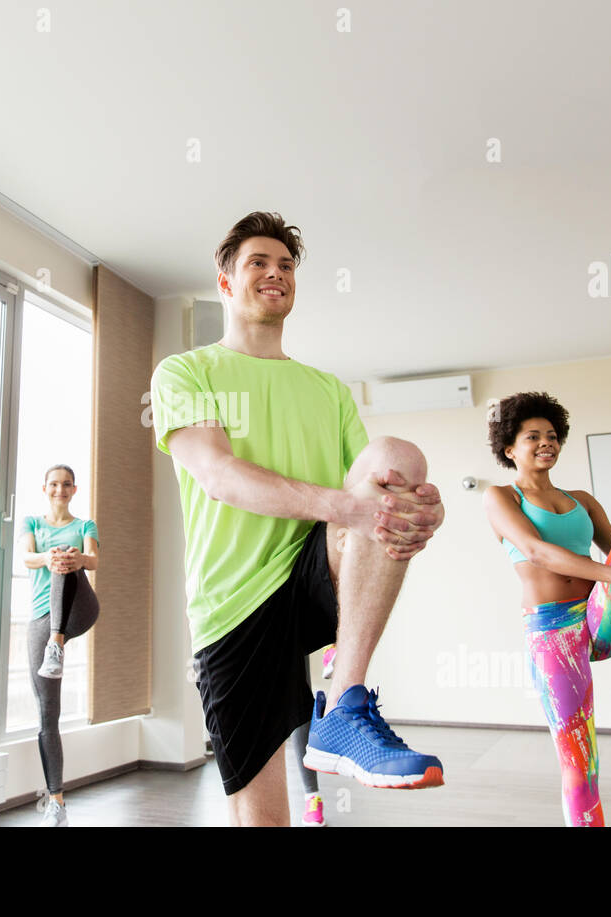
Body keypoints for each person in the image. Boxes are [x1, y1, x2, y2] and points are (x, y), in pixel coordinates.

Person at [151, 211, 446, 828]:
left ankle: (344, 707)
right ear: (226, 283)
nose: (275, 273)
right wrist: (355, 507)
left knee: (396, 458)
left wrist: (413, 509)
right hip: (232, 603)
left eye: (285, 265)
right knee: (264, 819)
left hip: (313, 573)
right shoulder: (187, 372)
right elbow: (219, 476)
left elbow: (370, 496)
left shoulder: (329, 391)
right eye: (257, 262)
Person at [482, 391, 611, 827]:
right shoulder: (502, 498)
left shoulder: (582, 500)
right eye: (532, 435)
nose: (545, 442)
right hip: (552, 634)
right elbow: (536, 552)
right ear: (509, 448)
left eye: (552, 435)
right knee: (580, 765)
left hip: (598, 617)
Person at [16, 464, 100, 827]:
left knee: (67, 555)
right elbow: (26, 557)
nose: (60, 489)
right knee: (47, 714)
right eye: (54, 484)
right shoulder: (32, 523)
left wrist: (73, 557)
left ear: (74, 489)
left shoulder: (84, 526)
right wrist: (48, 559)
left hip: (82, 606)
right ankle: (57, 803)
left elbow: (94, 559)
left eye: (67, 484)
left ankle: (57, 642)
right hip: (39, 617)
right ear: (45, 487)